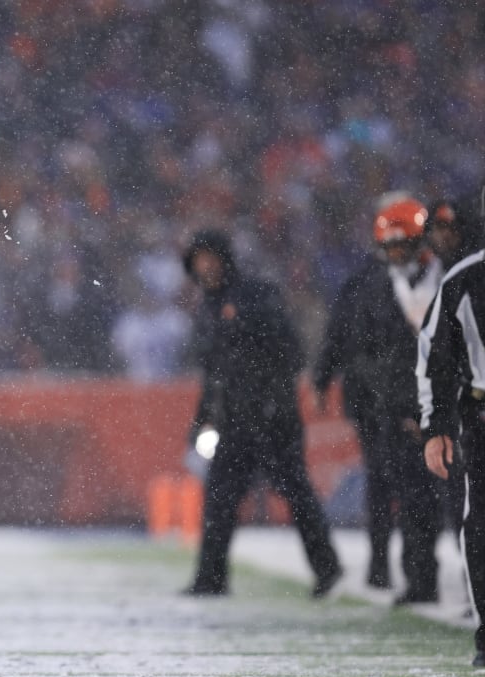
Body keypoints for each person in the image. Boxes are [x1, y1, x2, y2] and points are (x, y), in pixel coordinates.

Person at [180, 229, 341, 598]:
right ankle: (211, 578)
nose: (204, 267)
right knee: (220, 500)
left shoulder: (254, 296)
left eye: (209, 258)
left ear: (223, 259)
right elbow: (214, 375)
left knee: (295, 494)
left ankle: (327, 568)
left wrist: (270, 397)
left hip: (272, 419)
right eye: (198, 261)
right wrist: (202, 421)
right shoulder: (209, 308)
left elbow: (290, 351)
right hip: (234, 421)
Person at [353, 196, 444, 604]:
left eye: (403, 245)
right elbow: (368, 353)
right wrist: (399, 405)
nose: (397, 255)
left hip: (452, 403)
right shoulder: (376, 288)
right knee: (411, 500)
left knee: (459, 503)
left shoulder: (449, 277)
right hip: (403, 409)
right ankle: (421, 579)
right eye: (391, 247)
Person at [418, 190, 485, 668]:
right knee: (480, 525)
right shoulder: (464, 280)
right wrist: (437, 426)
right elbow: (434, 360)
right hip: (482, 415)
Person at [313, 241, 392, 588]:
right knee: (408, 482)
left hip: (375, 394)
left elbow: (336, 334)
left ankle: (384, 565)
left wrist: (322, 377)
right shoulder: (410, 278)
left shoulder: (359, 283)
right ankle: (417, 568)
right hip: (392, 396)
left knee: (383, 480)